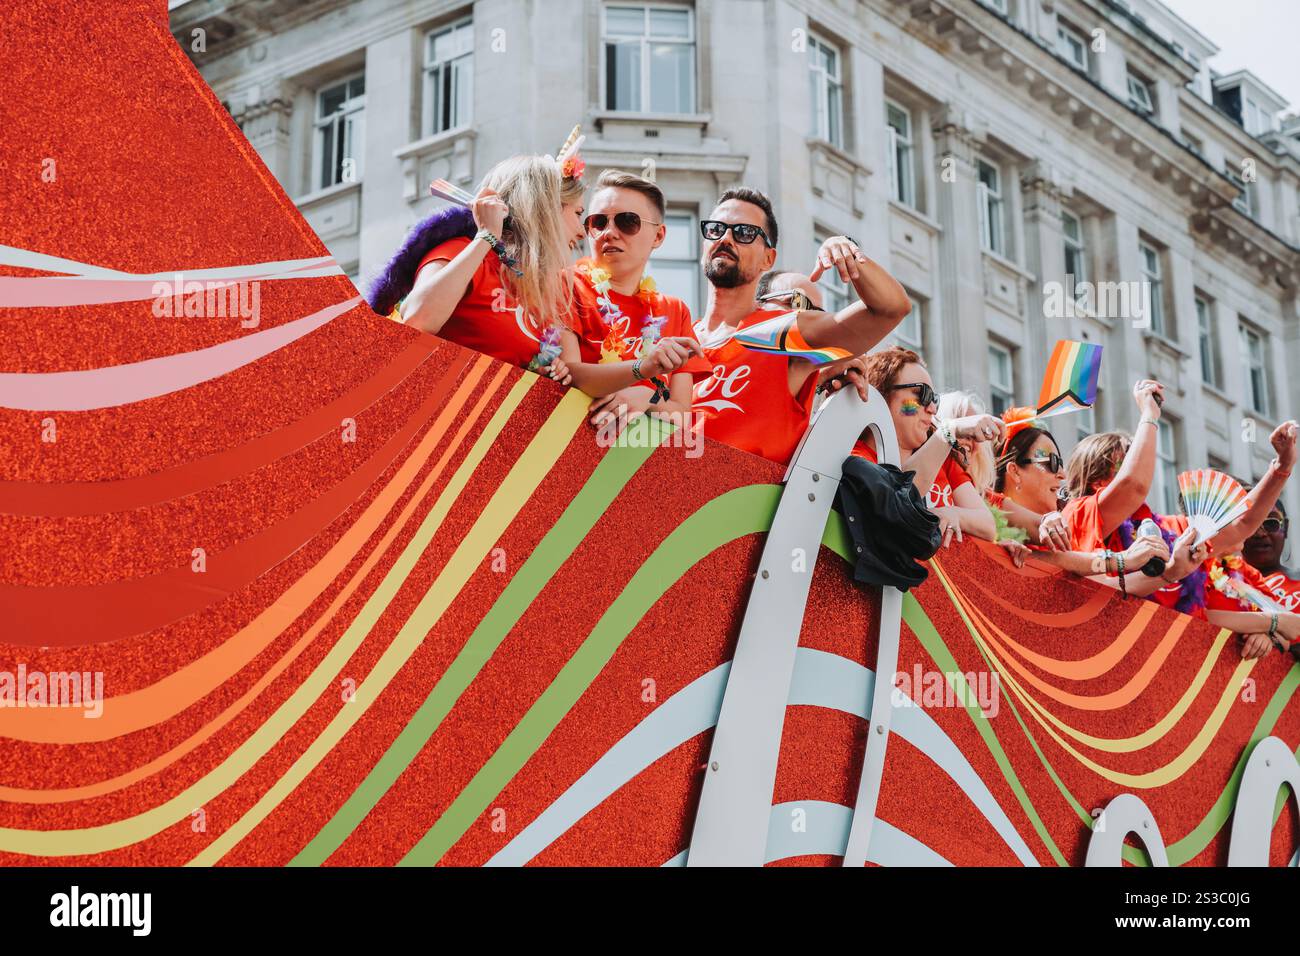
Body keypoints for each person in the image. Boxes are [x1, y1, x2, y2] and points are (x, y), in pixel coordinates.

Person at [691, 188, 911, 466]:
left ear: (768, 259)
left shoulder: (780, 334)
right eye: (715, 229)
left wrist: (848, 252)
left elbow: (890, 309)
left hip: (732, 504)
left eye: (744, 232)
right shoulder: (675, 336)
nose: (725, 238)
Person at [398, 154, 589, 376]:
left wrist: (548, 375)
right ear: (545, 210)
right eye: (577, 213)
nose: (582, 231)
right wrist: (486, 236)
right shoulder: (461, 251)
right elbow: (416, 320)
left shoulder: (544, 287)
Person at [558, 170, 710, 430]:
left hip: (641, 463)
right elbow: (569, 375)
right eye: (598, 222)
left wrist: (647, 399)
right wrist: (643, 368)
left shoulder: (675, 310)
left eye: (627, 222)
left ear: (659, 236)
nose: (609, 232)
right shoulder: (565, 284)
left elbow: (683, 415)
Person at [851, 347, 1003, 546]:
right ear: (881, 394)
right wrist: (949, 431)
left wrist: (952, 513)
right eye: (921, 393)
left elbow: (988, 527)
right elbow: (897, 505)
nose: (931, 408)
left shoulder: (943, 460)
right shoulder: (856, 458)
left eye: (934, 399)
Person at [1244, 499, 1300, 610]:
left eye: (1271, 523)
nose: (1260, 534)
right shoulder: (1217, 587)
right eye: (1251, 523)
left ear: (1286, 528)